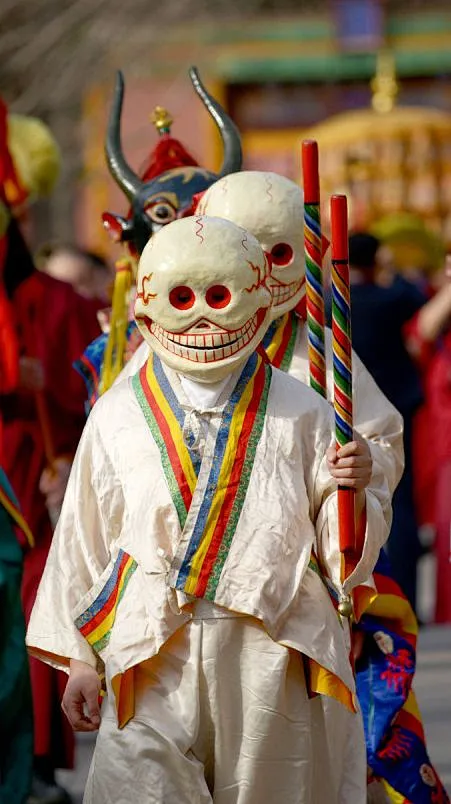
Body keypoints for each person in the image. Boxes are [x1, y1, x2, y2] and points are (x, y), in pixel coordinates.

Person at [27, 216, 390, 804]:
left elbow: (338, 549)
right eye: (180, 298)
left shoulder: (305, 408)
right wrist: (82, 662)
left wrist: (357, 489)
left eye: (218, 297)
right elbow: (83, 537)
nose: (200, 318)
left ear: (256, 303)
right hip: (151, 648)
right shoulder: (117, 411)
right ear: (147, 311)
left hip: (270, 647)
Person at [121, 171, 447, 802]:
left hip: (294, 608)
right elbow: (106, 490)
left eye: (276, 254)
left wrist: (357, 479)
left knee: (291, 773)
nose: (260, 276)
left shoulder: (323, 354)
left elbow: (377, 447)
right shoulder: (157, 358)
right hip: (174, 625)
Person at [0, 99, 103, 803]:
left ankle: (33, 765)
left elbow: (75, 396)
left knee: (32, 613)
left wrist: (68, 461)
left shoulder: (59, 301)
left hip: (33, 476)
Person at [327, 231, 426, 612]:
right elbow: (417, 297)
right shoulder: (392, 297)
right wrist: (391, 271)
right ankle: (406, 599)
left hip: (347, 413)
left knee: (346, 507)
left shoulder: (335, 305)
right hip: (397, 410)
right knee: (401, 503)